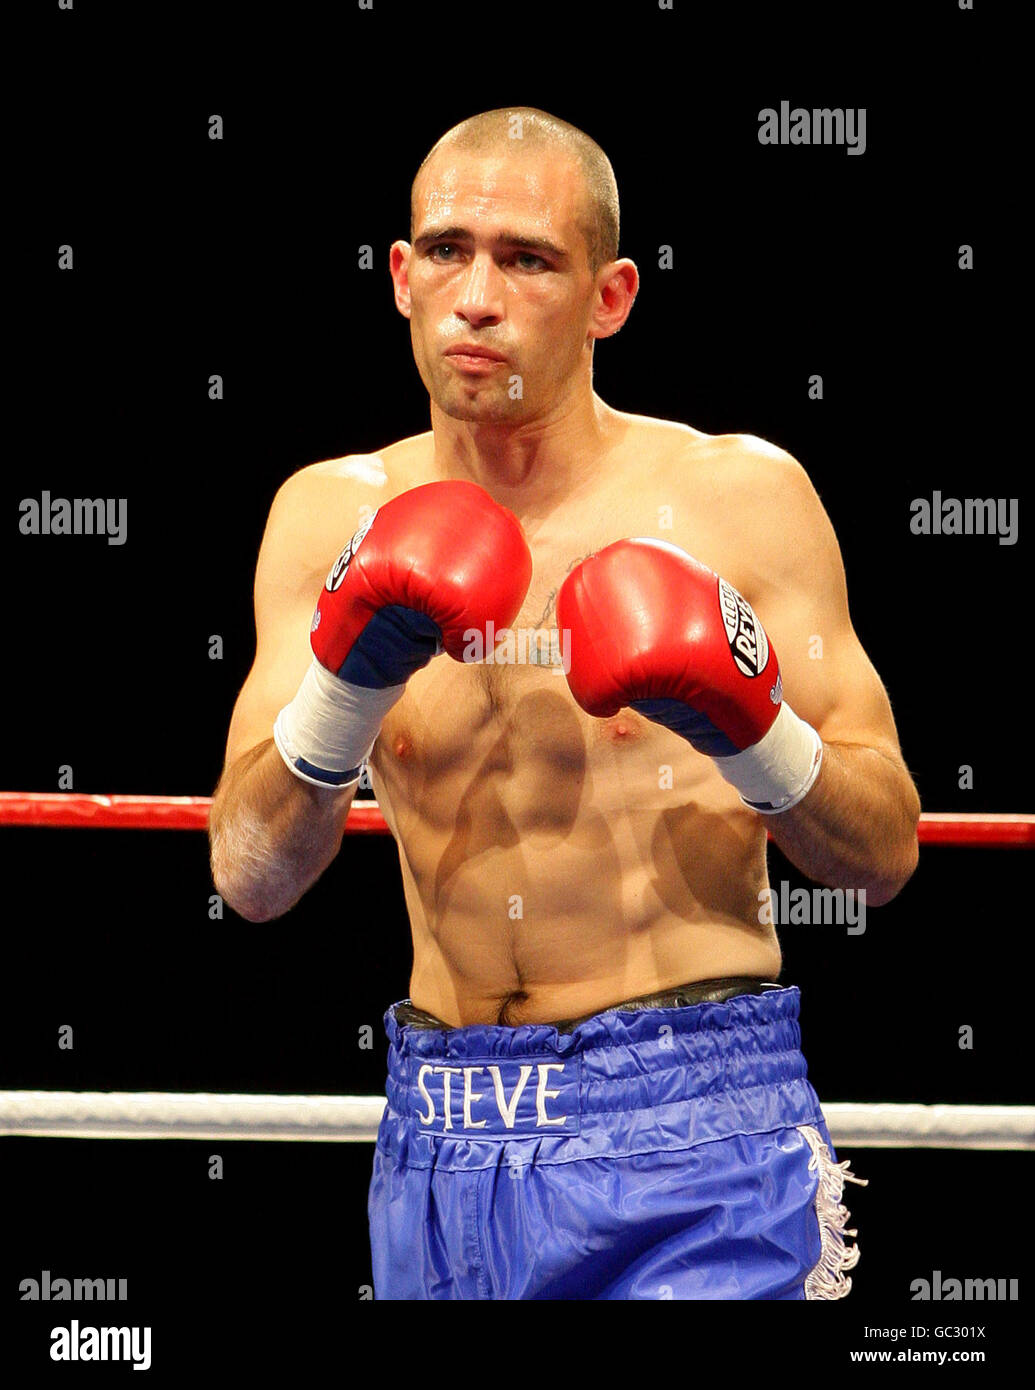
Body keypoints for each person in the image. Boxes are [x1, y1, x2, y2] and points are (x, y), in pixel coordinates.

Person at [208, 107, 920, 1300]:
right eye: (445, 249)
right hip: (442, 1129)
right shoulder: (327, 516)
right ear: (397, 276)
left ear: (611, 297)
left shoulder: (737, 500)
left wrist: (751, 723)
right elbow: (250, 877)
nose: (475, 296)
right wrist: (348, 681)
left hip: (694, 1125)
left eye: (526, 258)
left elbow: (884, 850)